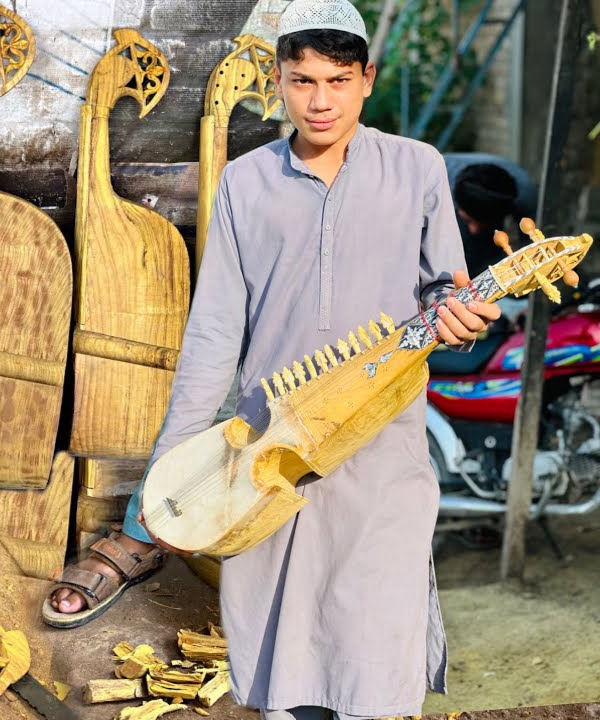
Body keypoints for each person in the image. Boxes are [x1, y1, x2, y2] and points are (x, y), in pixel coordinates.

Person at [44, 1, 501, 717]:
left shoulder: (417, 168)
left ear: (367, 79)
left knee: (375, 641)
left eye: (339, 81)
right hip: (265, 454)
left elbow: (444, 289)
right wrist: (165, 476)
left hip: (381, 449)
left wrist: (460, 319)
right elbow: (214, 333)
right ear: (279, 81)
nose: (321, 101)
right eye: (303, 80)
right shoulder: (245, 182)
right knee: (283, 657)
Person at [444, 153, 537, 275]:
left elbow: (532, 244)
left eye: (481, 223)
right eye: (469, 221)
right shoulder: (437, 187)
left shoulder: (525, 196)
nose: (474, 230)